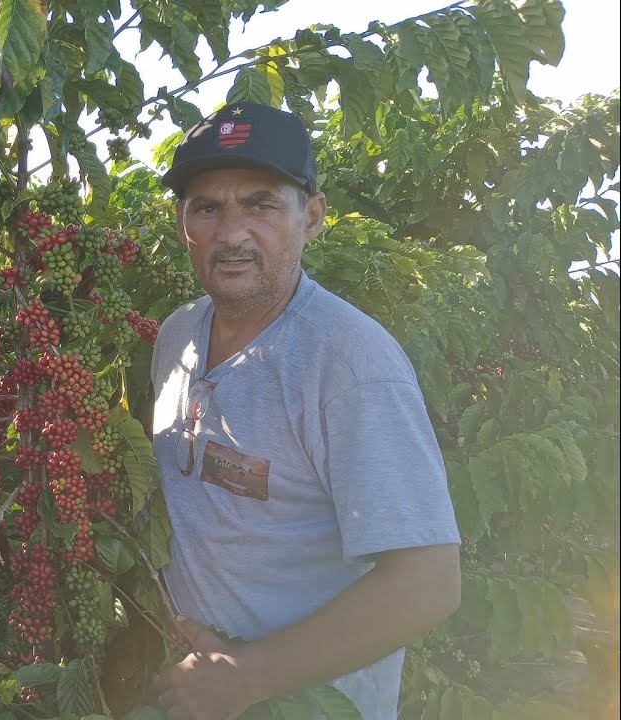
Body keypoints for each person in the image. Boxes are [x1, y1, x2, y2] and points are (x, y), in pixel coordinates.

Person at [149, 102, 463, 720]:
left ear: (311, 217)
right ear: (183, 222)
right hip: (195, 689)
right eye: (207, 207)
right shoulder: (176, 336)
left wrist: (243, 678)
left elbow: (430, 581)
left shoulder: (348, 365)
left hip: (307, 703)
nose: (232, 232)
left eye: (261, 204)